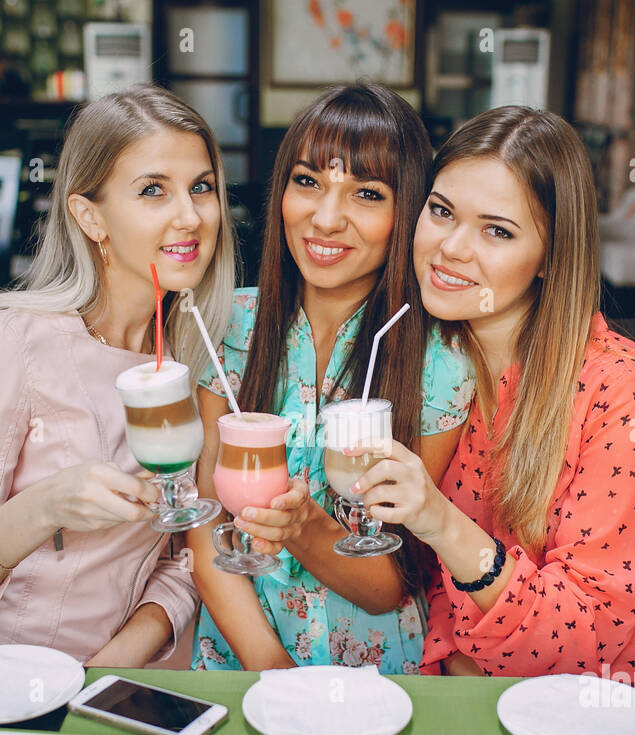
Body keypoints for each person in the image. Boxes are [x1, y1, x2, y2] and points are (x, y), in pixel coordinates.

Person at [348, 107, 635, 684]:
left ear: (550, 257)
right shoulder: (426, 364)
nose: (452, 248)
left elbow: (577, 645)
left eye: (497, 230)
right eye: (441, 212)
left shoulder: (632, 399)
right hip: (491, 694)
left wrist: (439, 522)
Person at [0, 86, 236, 666]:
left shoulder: (198, 354)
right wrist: (44, 508)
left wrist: (120, 657)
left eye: (201, 187)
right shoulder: (8, 344)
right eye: (154, 190)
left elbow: (186, 554)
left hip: (99, 691)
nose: (191, 216)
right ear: (89, 215)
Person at [186, 85, 475, 674]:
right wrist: (273, 672)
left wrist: (305, 527)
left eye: (367, 193)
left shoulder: (439, 362)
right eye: (308, 181)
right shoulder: (228, 327)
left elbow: (388, 587)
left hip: (373, 678)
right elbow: (204, 530)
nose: (325, 217)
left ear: (409, 212)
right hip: (238, 664)